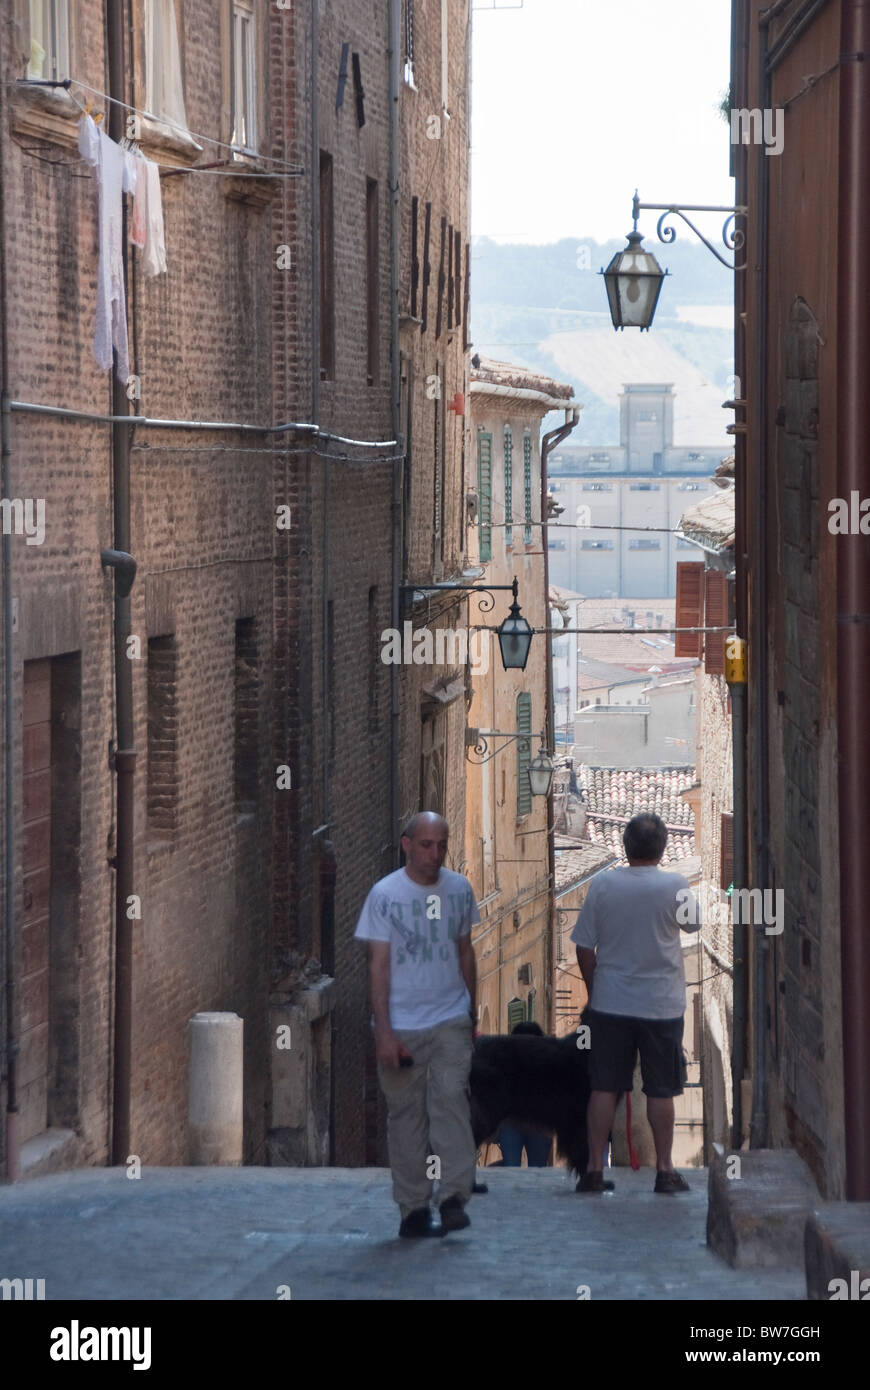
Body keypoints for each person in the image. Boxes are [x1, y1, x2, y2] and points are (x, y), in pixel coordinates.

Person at [354, 811, 479, 1238]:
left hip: (449, 1020)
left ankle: (453, 1197)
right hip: (402, 1026)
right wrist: (384, 1032)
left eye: (442, 844)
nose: (435, 853)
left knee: (450, 1103)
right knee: (406, 1118)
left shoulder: (459, 889)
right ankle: (412, 1208)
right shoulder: (384, 895)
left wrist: (471, 1013)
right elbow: (379, 966)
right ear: (406, 844)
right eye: (426, 845)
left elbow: (465, 952)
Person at [571, 812, 700, 1194]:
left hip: (611, 1006)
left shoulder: (603, 885)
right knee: (661, 1089)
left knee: (604, 1086)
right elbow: (694, 924)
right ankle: (664, 1170)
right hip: (661, 1006)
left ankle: (594, 1170)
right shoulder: (675, 884)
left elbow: (583, 947)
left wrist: (596, 993)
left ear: (625, 847)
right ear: (662, 848)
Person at [496, 1021, 553, 1167]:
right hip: (534, 1125)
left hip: (519, 1125)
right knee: (537, 1168)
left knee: (513, 1166)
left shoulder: (504, 1063)